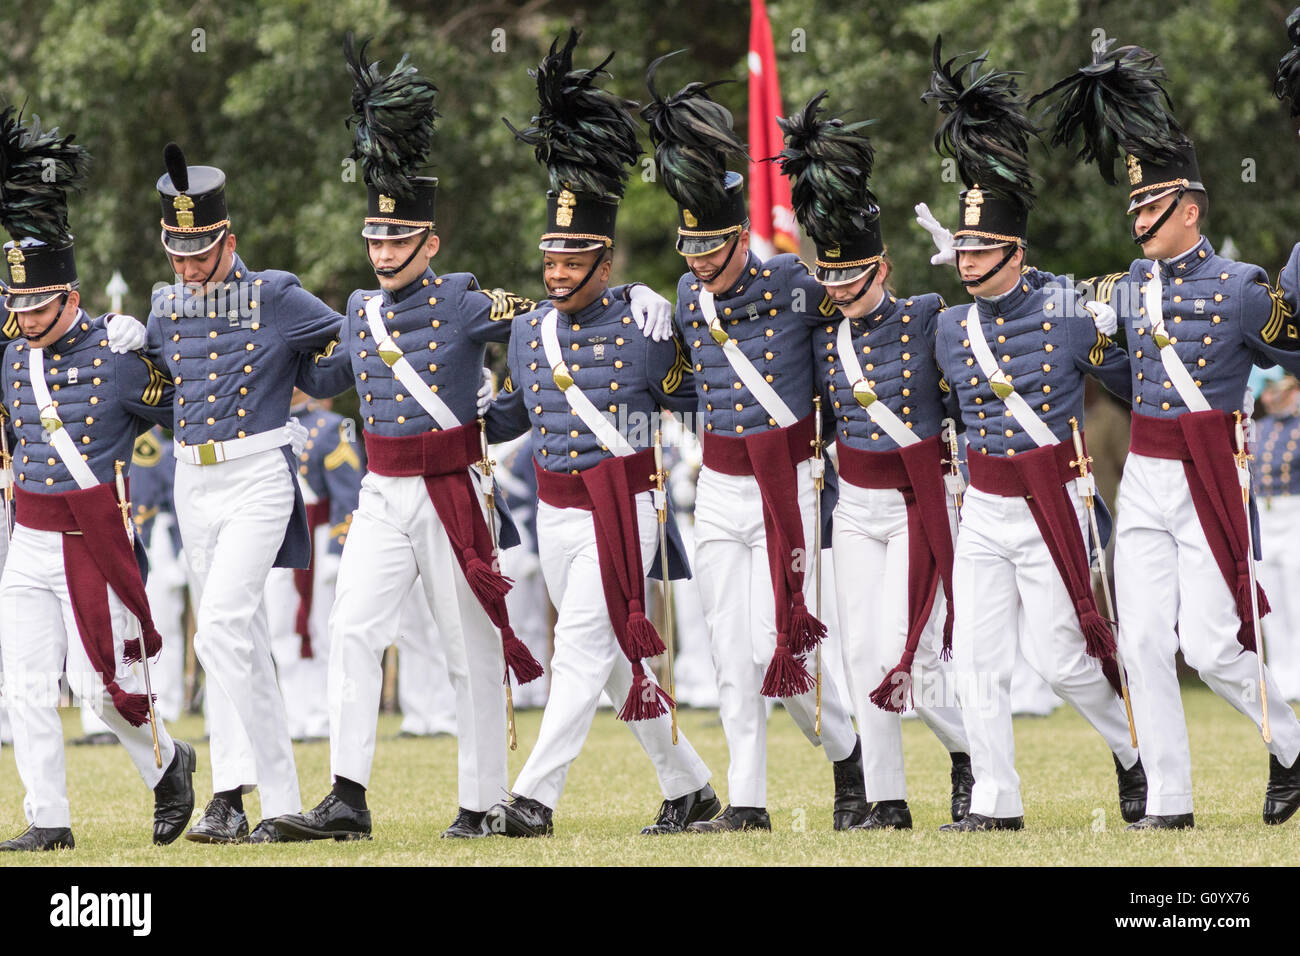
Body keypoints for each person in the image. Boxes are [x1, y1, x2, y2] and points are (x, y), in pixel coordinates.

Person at [272, 36, 548, 842]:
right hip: (381, 491)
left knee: (466, 650)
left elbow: (538, 332)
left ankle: (483, 800)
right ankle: (348, 797)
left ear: (429, 243)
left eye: (399, 241)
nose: (384, 253)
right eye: (376, 240)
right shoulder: (358, 309)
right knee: (352, 629)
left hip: (452, 489)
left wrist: (500, 419)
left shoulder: (464, 299)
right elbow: (323, 379)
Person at [1033, 38, 1300, 829]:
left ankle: (1288, 747)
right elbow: (1105, 369)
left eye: (1151, 208)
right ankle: (1170, 800)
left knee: (1217, 646)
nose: (1139, 221)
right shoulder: (1120, 289)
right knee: (1142, 639)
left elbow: (1293, 342)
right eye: (1134, 209)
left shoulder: (1244, 290)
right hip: (1145, 471)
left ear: (1189, 208)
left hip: (1211, 472)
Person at [483, 31, 717, 838]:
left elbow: (700, 399)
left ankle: (533, 799)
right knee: (617, 661)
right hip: (554, 508)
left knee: (581, 646)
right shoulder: (526, 333)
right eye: (549, 257)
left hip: (626, 506)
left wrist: (677, 302)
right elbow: (511, 416)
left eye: (572, 258)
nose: (555, 273)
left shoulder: (649, 326)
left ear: (605, 261)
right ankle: (689, 789)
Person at [918, 39, 1145, 832]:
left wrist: (1118, 318)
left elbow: (1130, 375)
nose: (966, 259)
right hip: (983, 499)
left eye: (981, 249)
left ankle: (1132, 748)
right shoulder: (949, 328)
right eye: (963, 246)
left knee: (1061, 659)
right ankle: (995, 801)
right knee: (973, 660)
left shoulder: (1068, 308)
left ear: (1014, 252)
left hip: (1054, 495)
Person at [642, 55, 866, 832]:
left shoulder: (796, 287)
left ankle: (848, 755)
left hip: (792, 479)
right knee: (728, 651)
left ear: (743, 236)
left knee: (785, 646)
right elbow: (674, 377)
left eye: (712, 248)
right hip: (720, 482)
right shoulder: (684, 294)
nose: (699, 263)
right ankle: (748, 801)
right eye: (688, 251)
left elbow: (851, 361)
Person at [107, 141, 343, 843]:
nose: (187, 268)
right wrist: (114, 344)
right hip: (192, 481)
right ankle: (243, 801)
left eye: (199, 253)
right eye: (176, 254)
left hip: (257, 475)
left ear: (227, 241)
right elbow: (153, 387)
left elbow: (348, 343)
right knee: (237, 642)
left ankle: (263, 797)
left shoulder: (274, 292)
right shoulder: (165, 305)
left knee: (218, 632)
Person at [0, 105, 195, 851]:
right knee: (23, 687)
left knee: (102, 691)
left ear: (71, 298)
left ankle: (168, 765)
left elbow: (184, 403)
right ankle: (48, 820)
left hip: (93, 537)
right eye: (16, 302)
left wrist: (147, 342)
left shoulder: (117, 357)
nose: (24, 316)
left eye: (38, 303)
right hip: (29, 537)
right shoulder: (13, 351)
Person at [778, 91, 973, 830]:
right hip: (853, 506)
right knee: (862, 653)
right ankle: (888, 800)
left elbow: (994, 324)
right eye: (828, 279)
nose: (838, 292)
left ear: (883, 267)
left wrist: (963, 260)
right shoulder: (825, 337)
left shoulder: (925, 312)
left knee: (910, 655)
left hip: (920, 500)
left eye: (852, 277)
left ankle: (971, 753)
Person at [265, 390, 361, 741]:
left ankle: (322, 714)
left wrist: (339, 546)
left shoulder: (334, 426)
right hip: (276, 536)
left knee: (321, 629)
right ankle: (295, 714)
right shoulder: (263, 423)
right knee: (281, 630)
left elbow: (347, 491)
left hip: (318, 537)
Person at [1253, 372, 1300, 702]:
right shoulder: (1259, 429)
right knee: (1272, 603)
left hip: (1294, 512)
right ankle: (1282, 676)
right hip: (1265, 516)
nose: (1271, 398)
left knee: (1296, 599)